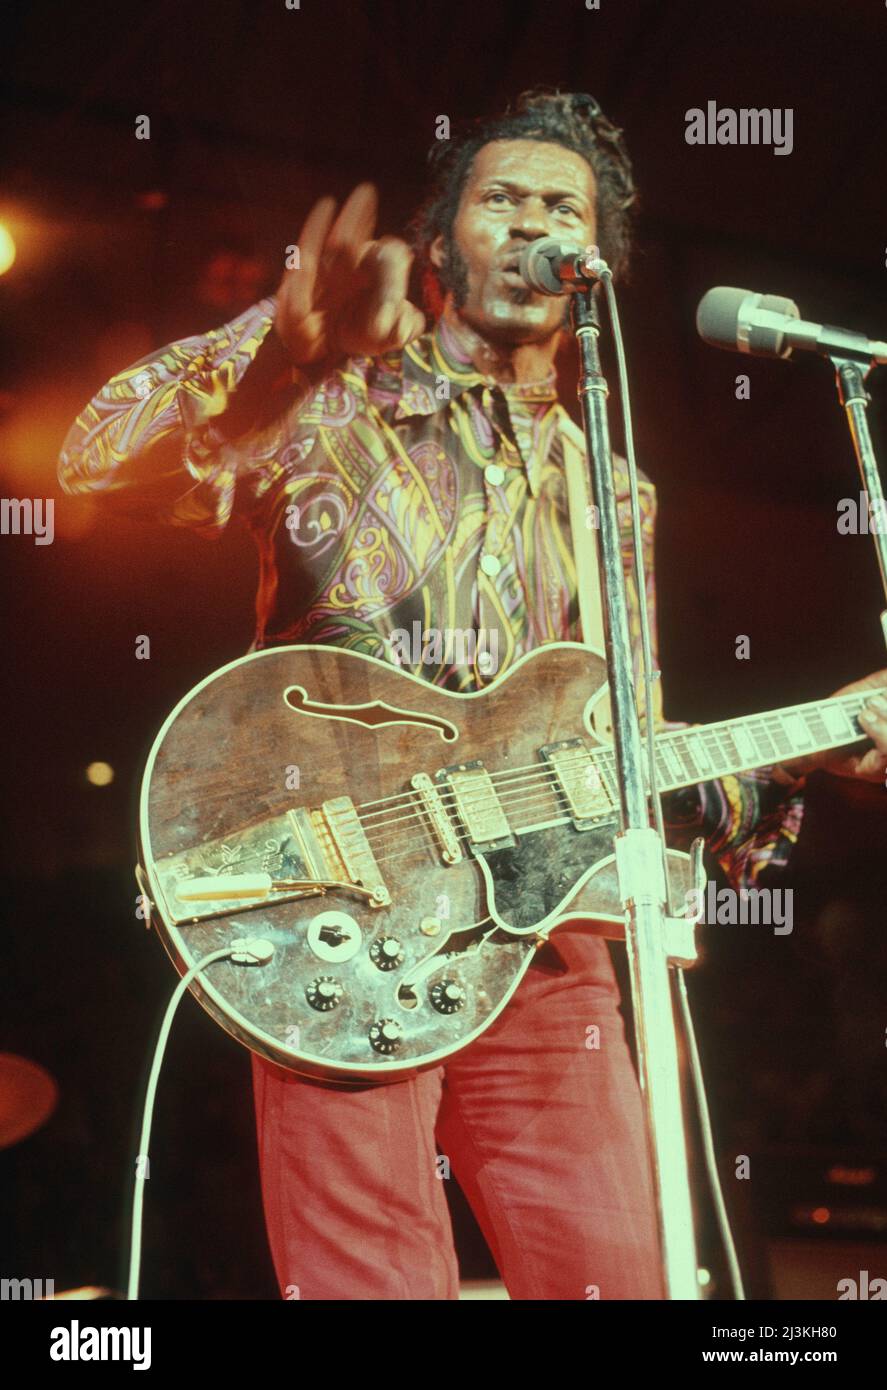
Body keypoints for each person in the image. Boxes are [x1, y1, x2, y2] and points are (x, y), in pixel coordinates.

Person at [58, 89, 887, 1300]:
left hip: (546, 943)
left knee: (619, 1278)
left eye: (565, 207)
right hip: (341, 898)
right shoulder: (333, 393)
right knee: (371, 1284)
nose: (536, 223)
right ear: (442, 242)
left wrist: (820, 744)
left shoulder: (614, 487)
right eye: (501, 199)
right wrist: (278, 360)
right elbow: (94, 462)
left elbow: (623, 752)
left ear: (591, 262)